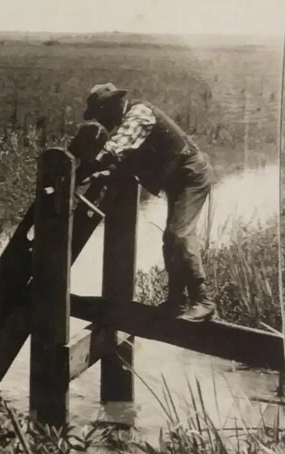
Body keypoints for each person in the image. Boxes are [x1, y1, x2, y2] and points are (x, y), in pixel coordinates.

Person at [73, 82, 216, 322]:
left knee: (178, 235)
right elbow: (131, 160)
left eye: (101, 112)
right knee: (170, 239)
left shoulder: (138, 113)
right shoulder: (125, 121)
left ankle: (203, 301)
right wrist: (103, 174)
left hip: (191, 175)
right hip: (177, 179)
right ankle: (177, 301)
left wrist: (82, 171)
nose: (101, 120)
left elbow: (117, 148)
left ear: (113, 105)